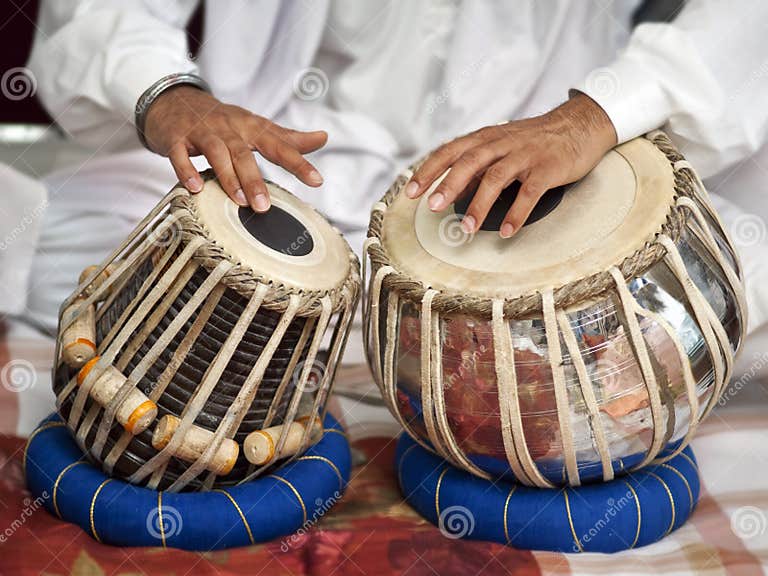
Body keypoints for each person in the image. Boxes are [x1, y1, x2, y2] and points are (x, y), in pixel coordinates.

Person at [20, 0, 768, 335]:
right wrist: (169, 94)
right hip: (290, 169)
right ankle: (402, 339)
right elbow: (100, 13)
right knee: (41, 231)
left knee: (739, 261)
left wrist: (594, 116)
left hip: (528, 189)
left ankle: (353, 336)